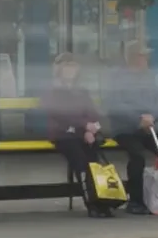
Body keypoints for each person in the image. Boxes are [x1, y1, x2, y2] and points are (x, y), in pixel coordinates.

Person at [39, 53, 114, 218]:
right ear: (58, 69)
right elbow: (60, 115)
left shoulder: (82, 91)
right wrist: (84, 126)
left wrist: (90, 128)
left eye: (73, 66)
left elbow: (92, 112)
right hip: (63, 133)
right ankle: (91, 204)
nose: (70, 70)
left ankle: (103, 201)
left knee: (94, 161)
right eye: (66, 66)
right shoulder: (52, 90)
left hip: (83, 134)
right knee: (80, 161)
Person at [105, 44, 158, 215]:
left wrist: (152, 117)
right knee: (137, 155)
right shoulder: (116, 78)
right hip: (125, 128)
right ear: (132, 58)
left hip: (148, 127)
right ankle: (135, 201)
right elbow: (114, 105)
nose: (145, 60)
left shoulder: (149, 77)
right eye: (142, 56)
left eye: (146, 56)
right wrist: (138, 119)